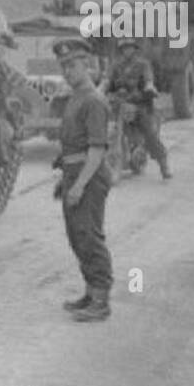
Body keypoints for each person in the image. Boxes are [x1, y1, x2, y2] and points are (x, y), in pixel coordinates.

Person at [52, 37, 113, 322]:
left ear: (86, 65)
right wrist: (64, 177)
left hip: (88, 176)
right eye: (64, 66)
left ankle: (101, 301)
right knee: (77, 237)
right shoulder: (75, 97)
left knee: (89, 236)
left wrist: (79, 185)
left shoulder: (93, 100)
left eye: (73, 65)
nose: (67, 71)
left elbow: (97, 149)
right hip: (73, 173)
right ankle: (90, 292)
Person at [105, 40, 172, 179]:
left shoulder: (143, 64)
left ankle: (163, 163)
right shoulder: (116, 66)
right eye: (124, 48)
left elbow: (148, 79)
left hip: (138, 105)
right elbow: (107, 81)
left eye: (129, 47)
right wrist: (99, 90)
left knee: (149, 134)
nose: (127, 50)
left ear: (134, 49)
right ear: (121, 50)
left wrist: (149, 86)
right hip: (118, 104)